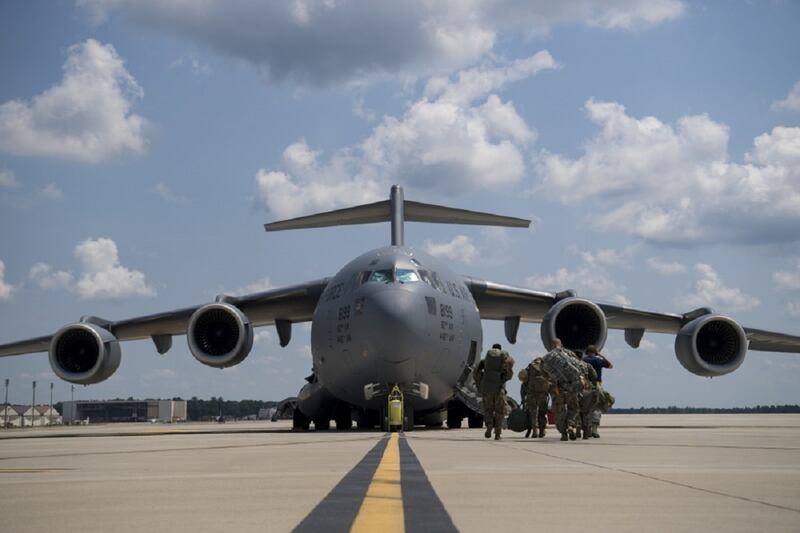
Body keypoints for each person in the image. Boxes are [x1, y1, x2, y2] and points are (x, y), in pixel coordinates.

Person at [541, 338, 582, 441]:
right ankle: (570, 425)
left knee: (559, 412)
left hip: (557, 390)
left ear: (551, 345)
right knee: (573, 408)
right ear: (561, 344)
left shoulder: (546, 357)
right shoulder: (569, 354)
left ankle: (563, 433)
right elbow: (579, 366)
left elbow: (544, 374)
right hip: (571, 388)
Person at [473, 343, 514, 440]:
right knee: (500, 411)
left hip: (487, 389)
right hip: (499, 389)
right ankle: (497, 434)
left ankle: (489, 424)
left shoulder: (485, 361)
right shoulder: (503, 361)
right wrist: (502, 379)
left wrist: (480, 383)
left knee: (488, 409)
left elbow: (475, 372)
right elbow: (509, 375)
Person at [582, 345, 613, 438]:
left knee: (584, 407)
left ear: (587, 352)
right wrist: (601, 355)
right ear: (595, 352)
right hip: (597, 386)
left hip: (585, 386)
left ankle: (585, 429)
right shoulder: (599, 360)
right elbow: (610, 366)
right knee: (596, 407)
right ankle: (594, 430)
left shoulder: (583, 360)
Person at [519, 357, 550, 438]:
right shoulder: (545, 368)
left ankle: (534, 431)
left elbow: (523, 383)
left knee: (533, 413)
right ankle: (542, 431)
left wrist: (523, 398)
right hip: (543, 395)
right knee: (542, 413)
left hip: (531, 394)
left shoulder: (529, 369)